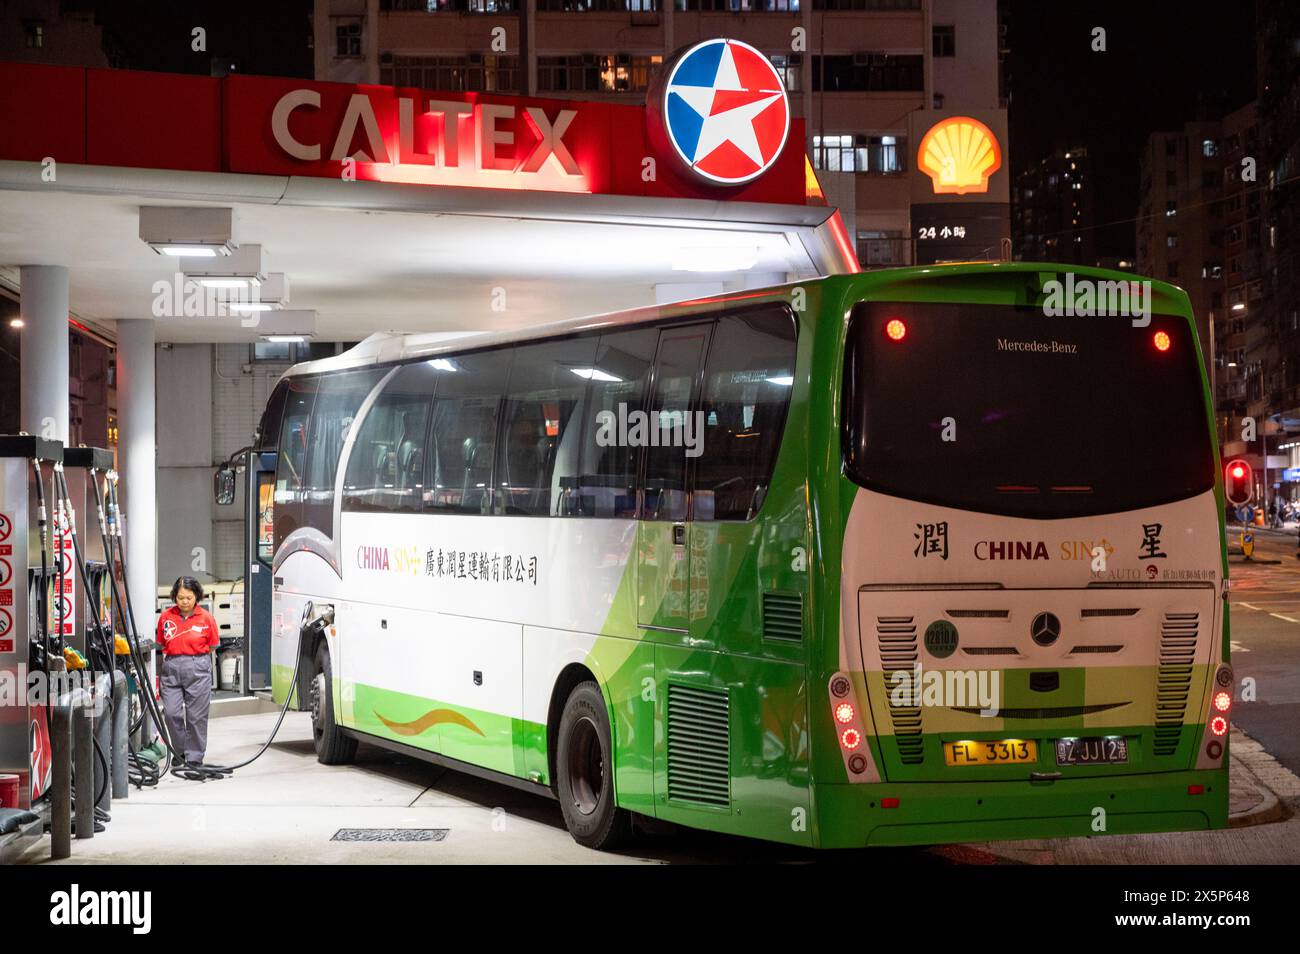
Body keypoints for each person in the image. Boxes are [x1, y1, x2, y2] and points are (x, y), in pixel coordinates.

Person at [156, 577, 219, 767]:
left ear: (197, 596)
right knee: (171, 713)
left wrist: (194, 660)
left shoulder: (206, 618)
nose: (184, 601)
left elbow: (212, 646)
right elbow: (162, 643)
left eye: (189, 598)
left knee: (196, 716)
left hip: (198, 667)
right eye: (180, 597)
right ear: (174, 597)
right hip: (172, 667)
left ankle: (194, 757)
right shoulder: (166, 617)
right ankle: (181, 751)